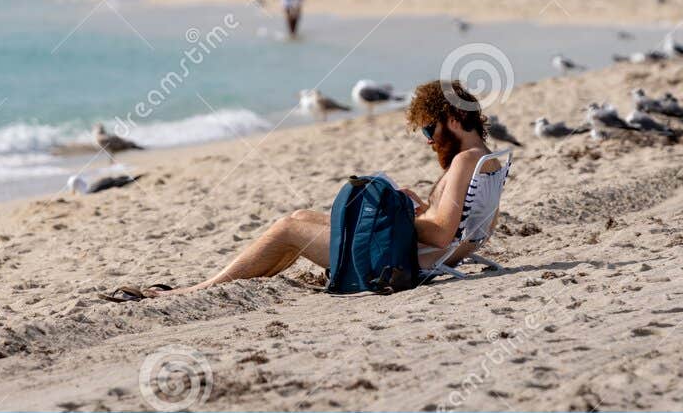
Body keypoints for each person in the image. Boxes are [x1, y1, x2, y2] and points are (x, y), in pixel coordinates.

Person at [150, 80, 500, 294]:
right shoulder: (486, 160)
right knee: (301, 215)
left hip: (396, 261)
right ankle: (248, 275)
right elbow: (456, 226)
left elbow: (440, 234)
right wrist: (418, 208)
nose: (427, 141)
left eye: (428, 130)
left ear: (453, 119)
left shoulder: (465, 160)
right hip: (413, 252)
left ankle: (201, 287)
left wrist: (402, 214)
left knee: (287, 228)